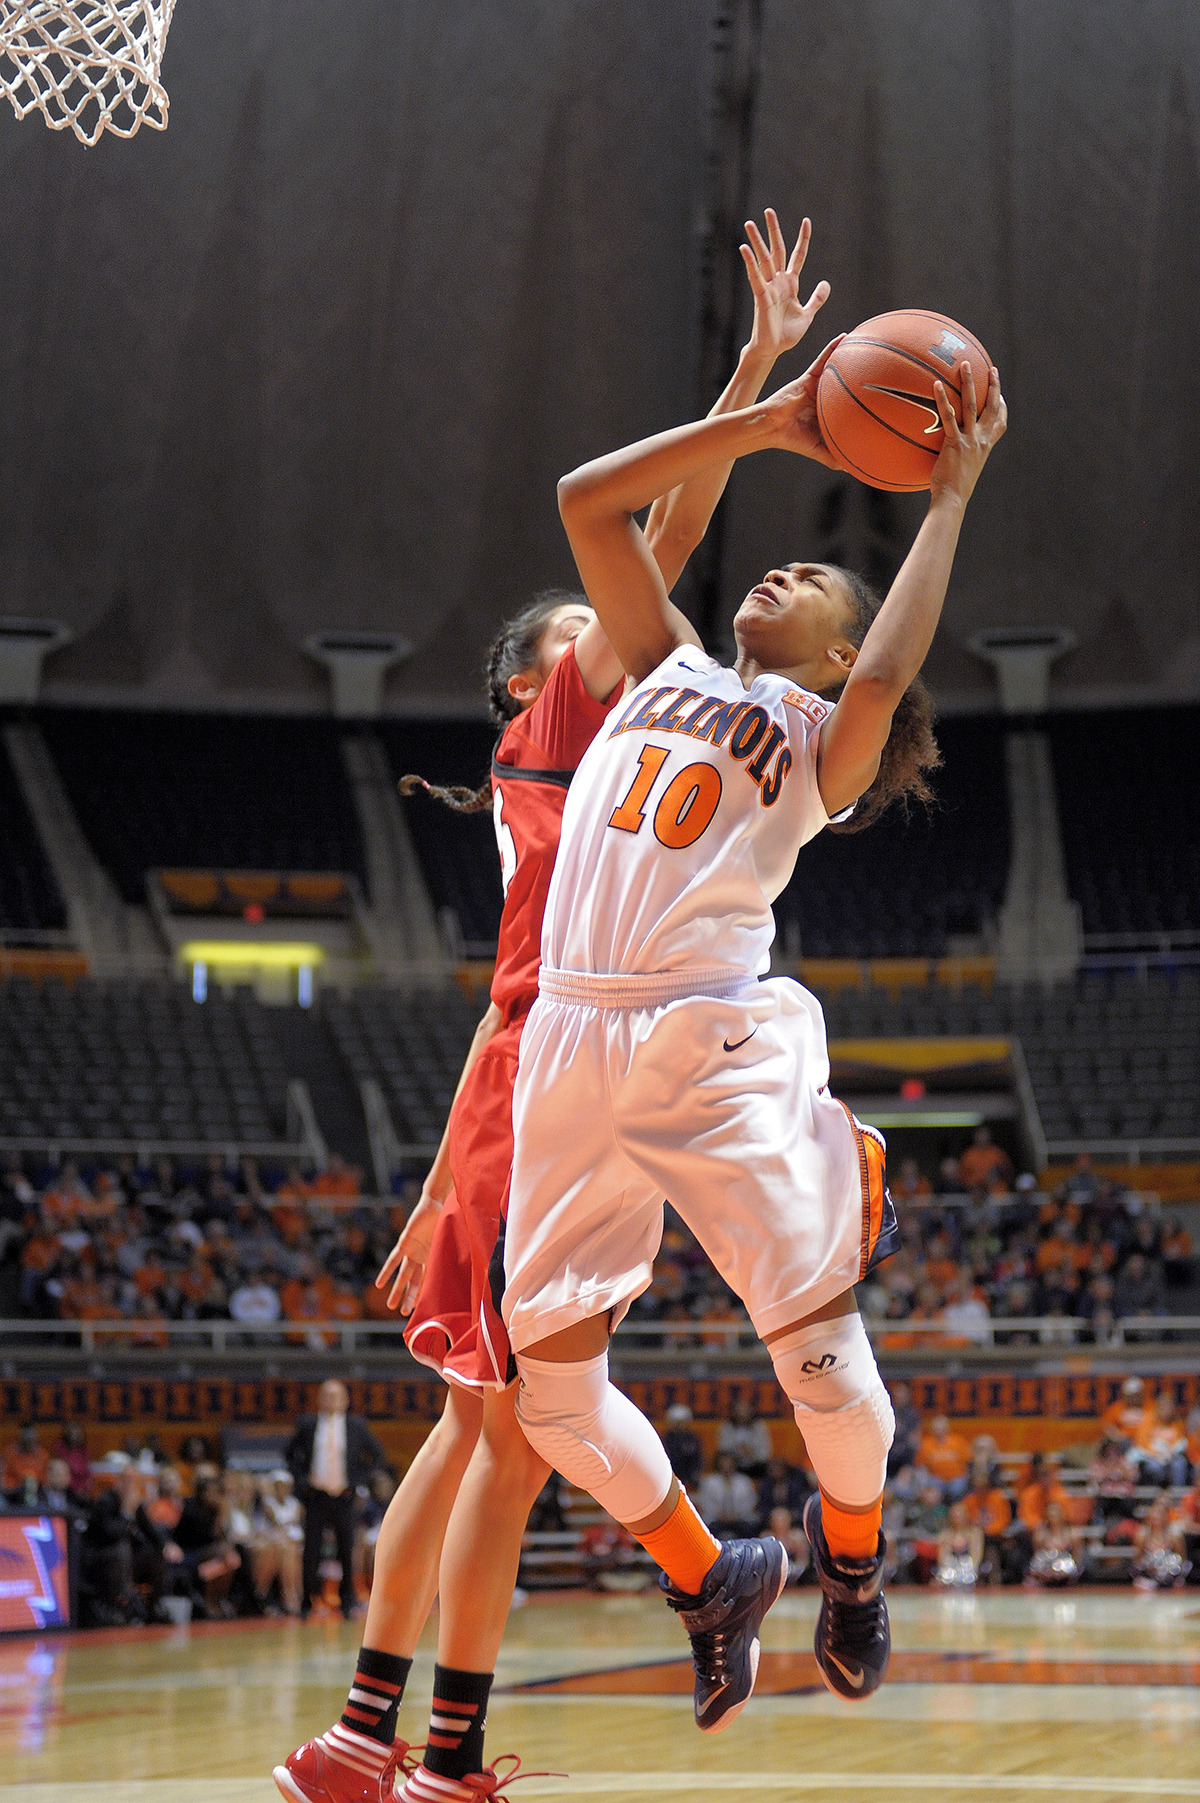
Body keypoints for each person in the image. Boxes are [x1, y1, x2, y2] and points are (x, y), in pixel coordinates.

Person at [276, 207, 810, 1803]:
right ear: (533, 682)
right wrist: (755, 388)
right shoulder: (572, 711)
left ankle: (364, 1740)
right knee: (505, 1439)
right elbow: (645, 530)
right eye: (587, 624)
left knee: (470, 1435)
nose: (626, 612)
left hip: (522, 1069)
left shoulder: (589, 746)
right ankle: (438, 1753)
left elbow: (651, 549)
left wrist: (760, 365)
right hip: (553, 1071)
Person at [497, 216, 1005, 1728]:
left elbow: (900, 665)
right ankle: (713, 1572)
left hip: (711, 1041)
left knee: (826, 1365)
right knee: (551, 1386)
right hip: (572, 1048)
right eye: (780, 554)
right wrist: (764, 394)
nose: (781, 563)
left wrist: (953, 493)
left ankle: (853, 1567)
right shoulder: (658, 667)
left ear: (837, 654)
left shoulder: (816, 738)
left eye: (814, 580)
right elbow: (592, 500)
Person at [285, 1379, 386, 1620]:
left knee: (346, 1550)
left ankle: (347, 1601)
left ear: (345, 1400)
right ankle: (307, 1601)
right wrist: (302, 1481)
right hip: (315, 1496)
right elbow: (290, 1454)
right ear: (319, 1399)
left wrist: (356, 1481)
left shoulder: (356, 1426)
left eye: (336, 1396)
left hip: (344, 1497)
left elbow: (377, 1455)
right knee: (311, 1550)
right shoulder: (308, 1424)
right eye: (327, 1395)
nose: (331, 1400)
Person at [696, 1451, 759, 1538]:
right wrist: (720, 1515)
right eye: (724, 1462)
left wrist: (736, 1515)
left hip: (740, 1518)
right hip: (716, 1519)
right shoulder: (709, 1481)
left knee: (748, 1529)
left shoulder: (744, 1481)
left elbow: (750, 1502)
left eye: (729, 1462)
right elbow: (705, 1502)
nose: (726, 1465)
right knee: (710, 1530)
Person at [915, 1415, 972, 1502]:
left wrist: (966, 1476)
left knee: (957, 1488)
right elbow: (921, 1466)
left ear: (947, 1427)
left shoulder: (957, 1441)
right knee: (931, 1491)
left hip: (957, 1478)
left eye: (941, 1427)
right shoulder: (926, 1444)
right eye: (936, 1427)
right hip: (936, 1479)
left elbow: (969, 1462)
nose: (939, 1430)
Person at [717, 1396, 773, 1479]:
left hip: (757, 1466)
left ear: (751, 1411)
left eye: (745, 1410)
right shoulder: (726, 1428)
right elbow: (723, 1451)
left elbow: (766, 1453)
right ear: (733, 1411)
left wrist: (751, 1453)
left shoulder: (760, 1427)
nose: (742, 1413)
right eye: (739, 1410)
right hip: (734, 1467)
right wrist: (738, 1452)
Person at [662, 1404, 704, 1493]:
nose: (679, 1425)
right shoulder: (666, 1439)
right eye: (676, 1422)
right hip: (672, 1475)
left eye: (682, 1422)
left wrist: (695, 1473)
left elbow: (698, 1459)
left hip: (690, 1476)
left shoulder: (692, 1438)